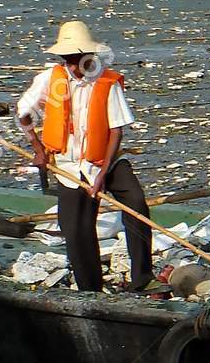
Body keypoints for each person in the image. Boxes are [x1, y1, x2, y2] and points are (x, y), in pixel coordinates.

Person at [16, 20, 154, 293]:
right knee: (75, 229)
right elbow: (24, 113)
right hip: (69, 162)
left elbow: (116, 131)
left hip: (106, 159)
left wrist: (102, 175)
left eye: (76, 59)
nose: (72, 66)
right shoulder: (50, 80)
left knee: (136, 204)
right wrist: (39, 150)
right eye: (67, 60)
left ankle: (142, 277)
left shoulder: (106, 81)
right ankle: (90, 289)